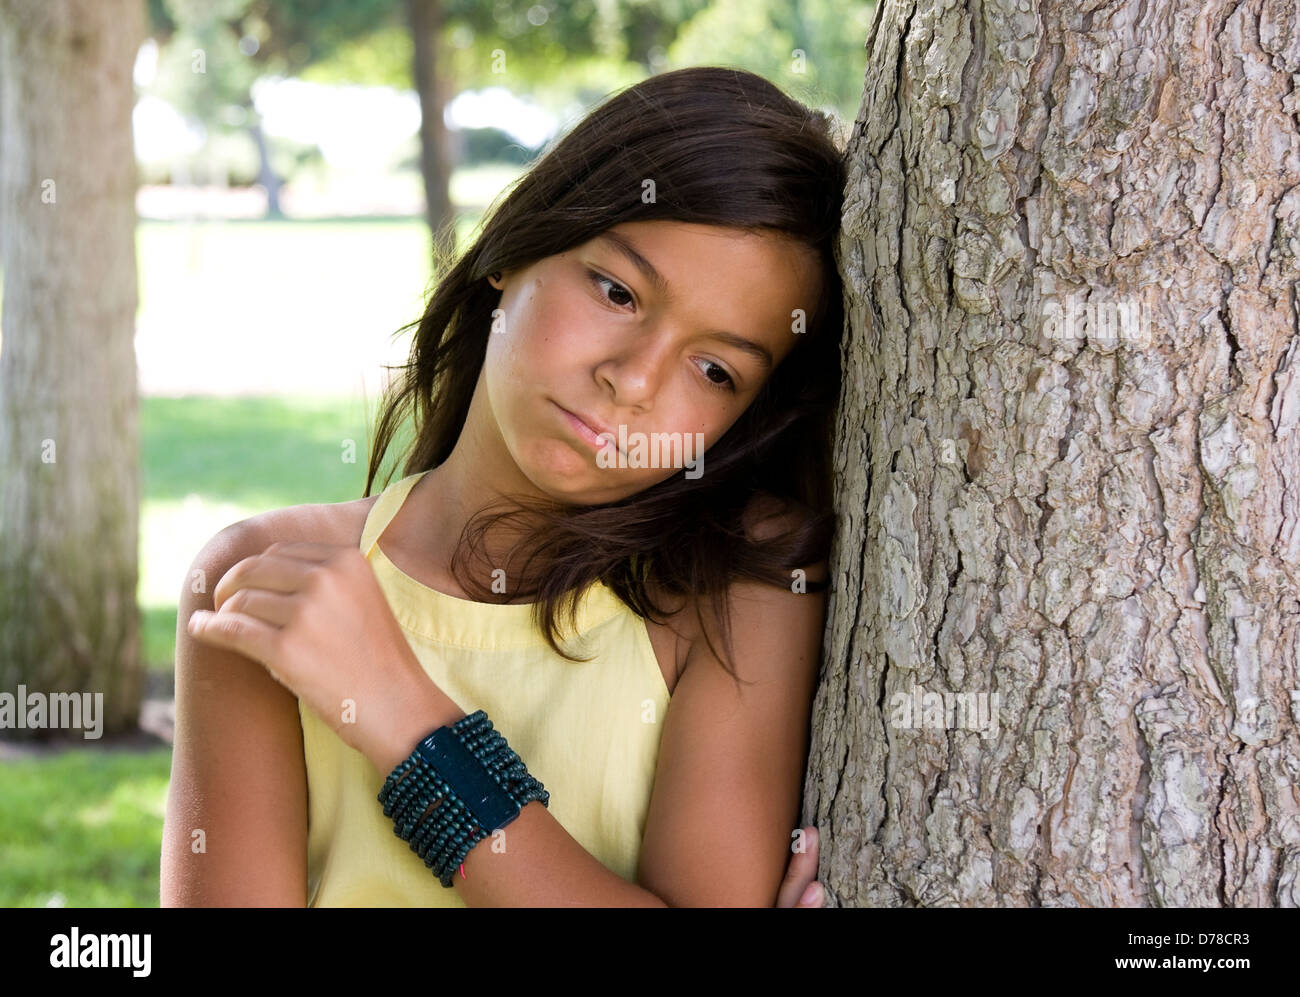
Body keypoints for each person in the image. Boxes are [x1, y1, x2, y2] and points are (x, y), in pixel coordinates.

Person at [162, 65, 843, 907]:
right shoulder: (265, 579)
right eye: (619, 292)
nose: (634, 381)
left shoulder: (737, 587)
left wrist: (405, 720)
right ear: (516, 250)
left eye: (713, 368)